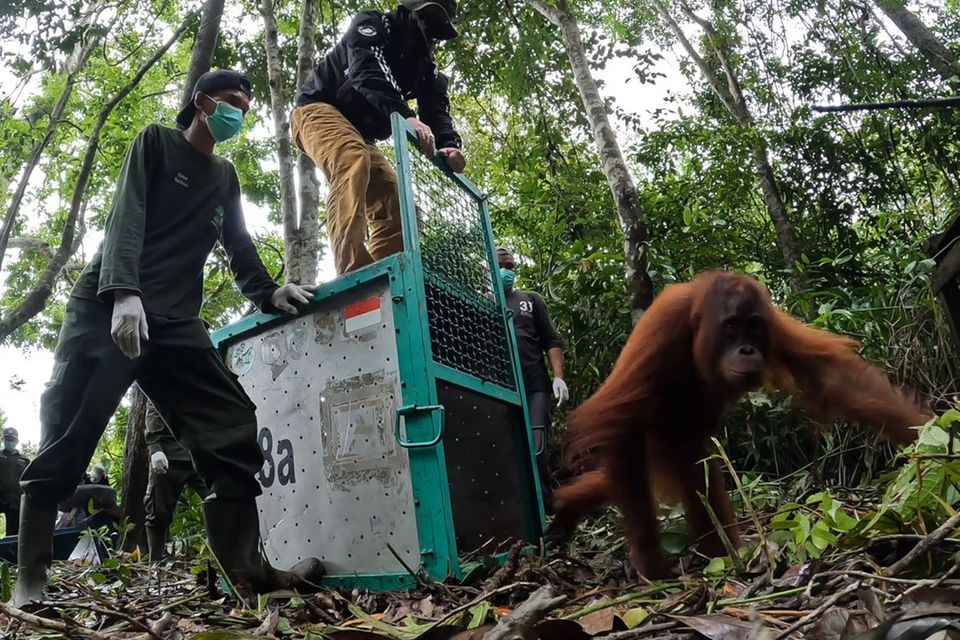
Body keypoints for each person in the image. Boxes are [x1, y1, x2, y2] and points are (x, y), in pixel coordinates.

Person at [12, 69, 324, 607]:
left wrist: (269, 292)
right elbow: (125, 216)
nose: (238, 113)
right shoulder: (155, 142)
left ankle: (247, 570)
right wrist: (124, 291)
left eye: (245, 107)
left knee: (230, 423)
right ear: (202, 103)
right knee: (69, 429)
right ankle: (31, 576)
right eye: (230, 102)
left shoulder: (224, 177)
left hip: (176, 323)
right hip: (109, 304)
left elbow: (240, 246)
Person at [292, 0, 467, 276]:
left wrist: (449, 147)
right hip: (317, 110)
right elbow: (366, 71)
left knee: (397, 202)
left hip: (362, 134)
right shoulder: (372, 25)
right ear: (411, 11)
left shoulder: (426, 69)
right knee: (352, 159)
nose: (427, 28)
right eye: (426, 17)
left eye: (437, 24)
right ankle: (353, 274)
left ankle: (380, 280)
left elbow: (436, 109)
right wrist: (404, 115)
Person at [496, 248, 568, 510]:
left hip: (535, 384)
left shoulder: (530, 300)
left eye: (511, 266)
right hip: (500, 387)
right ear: (488, 268)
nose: (507, 271)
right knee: (506, 451)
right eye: (501, 265)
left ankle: (547, 508)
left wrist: (558, 378)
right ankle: (518, 511)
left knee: (537, 449)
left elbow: (551, 340)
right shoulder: (482, 301)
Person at [143, 399, 211, 562]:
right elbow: (153, 406)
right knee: (158, 512)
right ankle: (155, 565)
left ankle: (230, 565)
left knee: (219, 503)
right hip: (168, 455)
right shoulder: (163, 377)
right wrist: (155, 448)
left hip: (199, 454)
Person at [0, 428, 29, 537]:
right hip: (1, 498)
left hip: (15, 502)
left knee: (13, 534)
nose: (9, 441)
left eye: (12, 439)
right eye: (7, 439)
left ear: (17, 441)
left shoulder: (24, 460)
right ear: (2, 439)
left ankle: (9, 553)